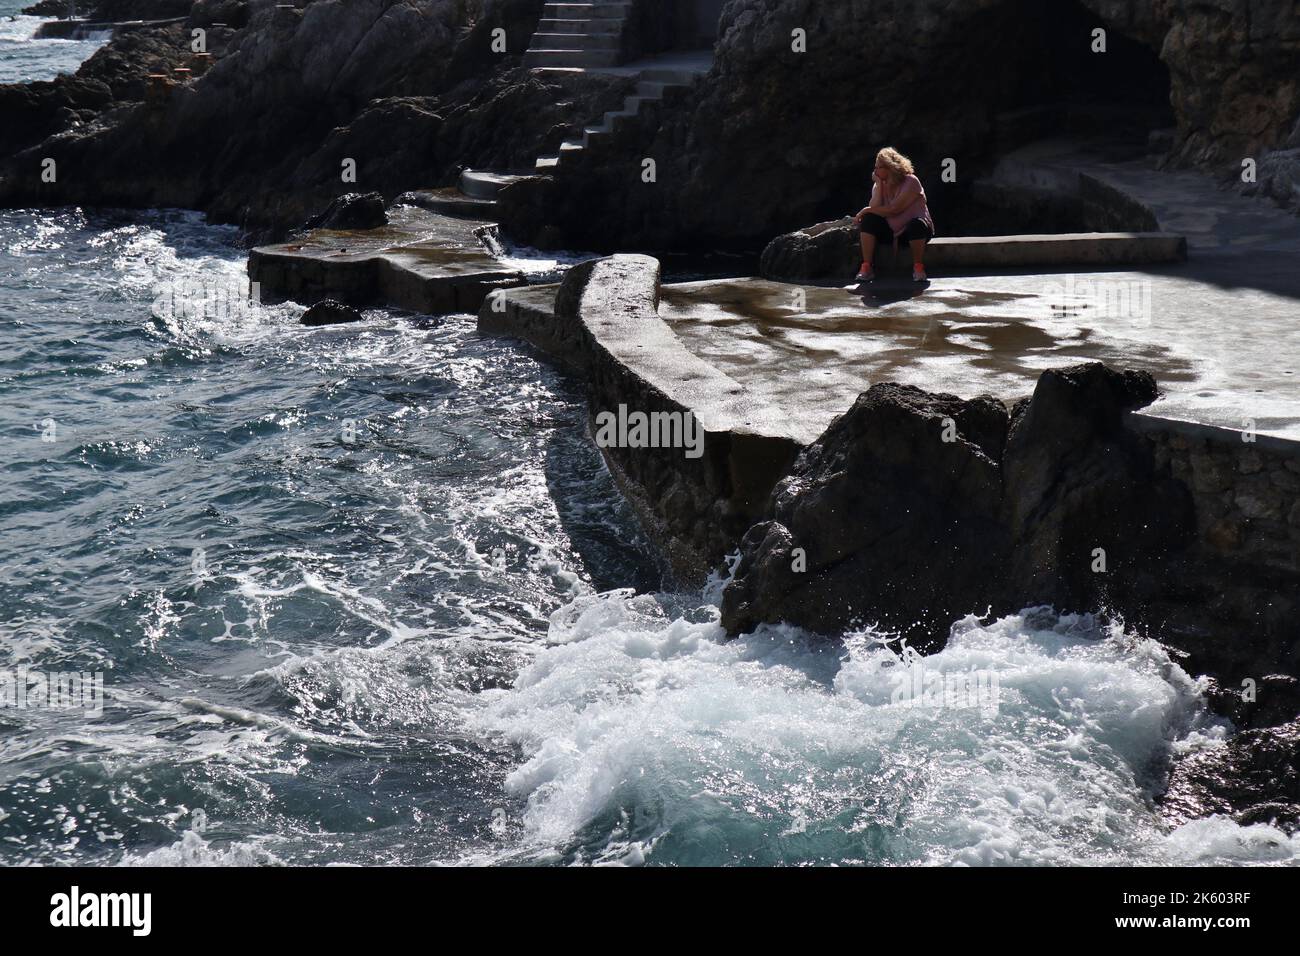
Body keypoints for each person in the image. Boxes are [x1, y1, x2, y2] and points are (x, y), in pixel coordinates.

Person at [851, 147, 935, 283]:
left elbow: (894, 209)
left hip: (914, 232)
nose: (875, 171)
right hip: (891, 231)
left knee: (917, 224)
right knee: (869, 220)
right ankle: (867, 267)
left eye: (878, 168)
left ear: (889, 168)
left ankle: (918, 268)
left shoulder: (911, 181)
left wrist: (864, 211)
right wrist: (878, 185)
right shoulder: (880, 183)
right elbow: (875, 207)